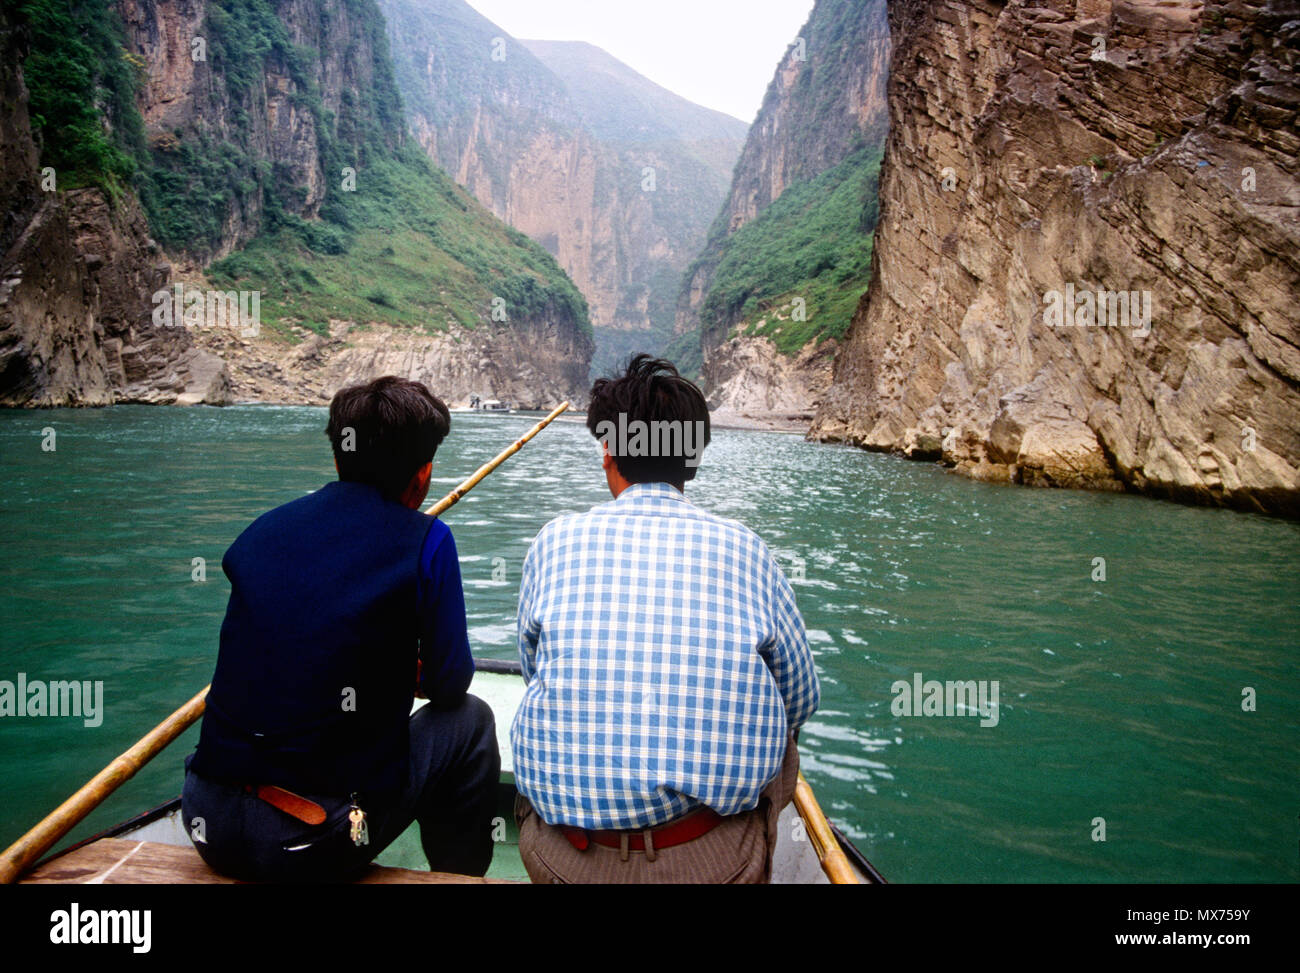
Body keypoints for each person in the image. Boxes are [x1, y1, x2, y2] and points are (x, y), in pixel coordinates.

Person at [510, 355, 819, 883]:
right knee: (782, 733)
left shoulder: (553, 541)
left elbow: (532, 668)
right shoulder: (745, 548)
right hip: (712, 867)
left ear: (607, 452)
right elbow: (802, 697)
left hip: (562, 863)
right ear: (692, 457)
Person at [182, 376, 499, 882]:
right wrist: (410, 671)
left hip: (206, 823)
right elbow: (449, 685)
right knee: (470, 720)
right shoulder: (428, 541)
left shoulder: (261, 531)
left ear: (337, 459)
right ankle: (456, 877)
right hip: (308, 841)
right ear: (423, 475)